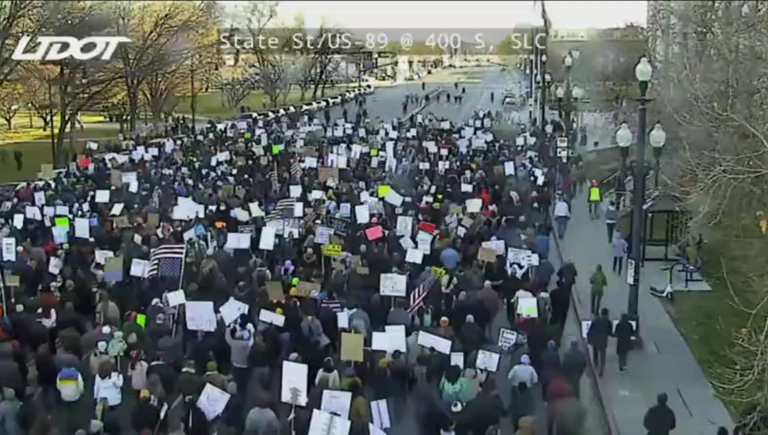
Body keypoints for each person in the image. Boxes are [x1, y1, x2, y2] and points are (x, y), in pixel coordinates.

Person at [587, 308, 612, 377]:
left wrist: (589, 339)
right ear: (607, 314)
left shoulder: (595, 320)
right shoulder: (608, 322)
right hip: (603, 340)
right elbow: (610, 332)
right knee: (602, 355)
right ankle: (601, 369)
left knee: (595, 351)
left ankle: (595, 363)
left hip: (595, 339)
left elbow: (590, 330)